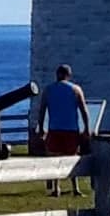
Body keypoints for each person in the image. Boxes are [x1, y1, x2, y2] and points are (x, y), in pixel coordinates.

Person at [34, 64, 91, 197]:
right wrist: (87, 128)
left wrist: (41, 128)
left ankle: (56, 188)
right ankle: (75, 188)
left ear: (57, 74)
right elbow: (84, 110)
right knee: (72, 158)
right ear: (69, 75)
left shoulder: (48, 90)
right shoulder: (76, 90)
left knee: (55, 158)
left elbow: (42, 110)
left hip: (54, 129)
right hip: (71, 129)